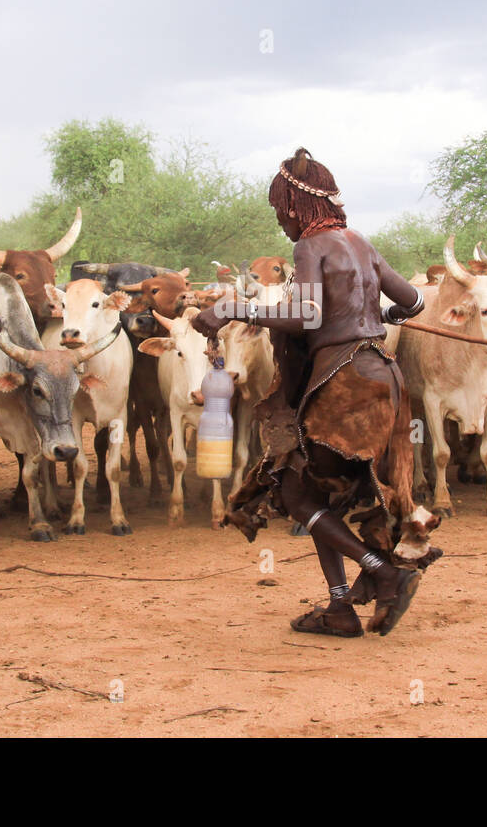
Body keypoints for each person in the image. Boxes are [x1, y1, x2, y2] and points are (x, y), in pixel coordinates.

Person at [193, 148, 439, 638]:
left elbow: (305, 317)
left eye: (279, 210)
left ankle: (384, 572)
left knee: (292, 488)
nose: (281, 221)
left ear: (294, 205)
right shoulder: (360, 242)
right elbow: (412, 301)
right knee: (311, 489)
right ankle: (339, 608)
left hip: (345, 379)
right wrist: (381, 317)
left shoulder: (310, 246)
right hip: (384, 374)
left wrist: (234, 307)